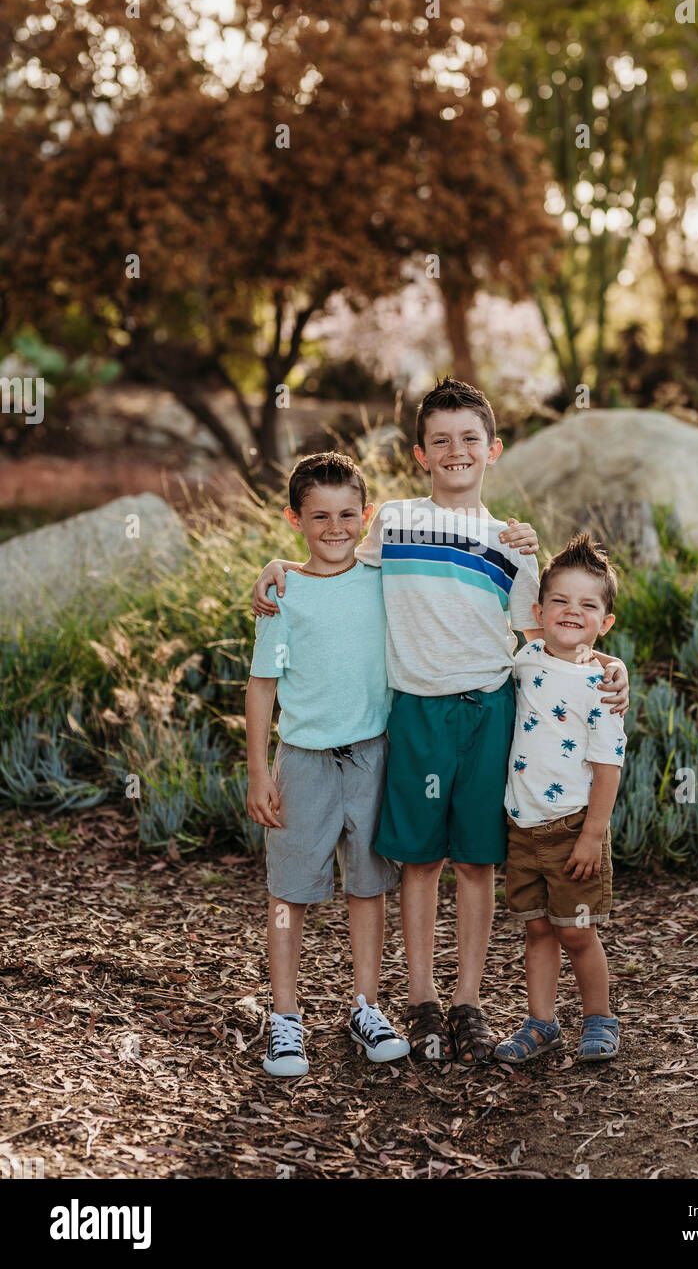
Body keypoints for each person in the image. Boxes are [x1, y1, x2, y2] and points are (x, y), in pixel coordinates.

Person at [252, 377, 629, 1064]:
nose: (455, 450)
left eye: (468, 439)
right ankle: (421, 1000)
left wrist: (607, 664)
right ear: (421, 453)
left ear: (492, 450)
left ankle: (468, 1003)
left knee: (477, 863)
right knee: (419, 860)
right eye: (439, 440)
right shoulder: (391, 521)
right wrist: (280, 564)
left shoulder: (512, 544)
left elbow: (548, 635)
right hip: (417, 716)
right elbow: (330, 563)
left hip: (488, 714)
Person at [245, 451, 410, 1076]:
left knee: (368, 886)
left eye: (348, 515)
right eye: (320, 517)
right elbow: (261, 687)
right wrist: (260, 773)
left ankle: (366, 1007)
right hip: (304, 761)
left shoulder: (380, 578)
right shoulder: (285, 595)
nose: (335, 528)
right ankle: (285, 1018)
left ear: (366, 517)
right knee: (290, 891)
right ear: (295, 520)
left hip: (373, 756)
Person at [494, 532, 625, 1065]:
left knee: (578, 932)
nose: (572, 611)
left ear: (604, 622)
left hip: (573, 829)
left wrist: (594, 834)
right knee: (539, 929)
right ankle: (541, 1023)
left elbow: (607, 767)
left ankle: (600, 1017)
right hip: (522, 828)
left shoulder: (602, 685)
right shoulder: (525, 658)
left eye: (587, 605)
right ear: (539, 610)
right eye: (560, 601)